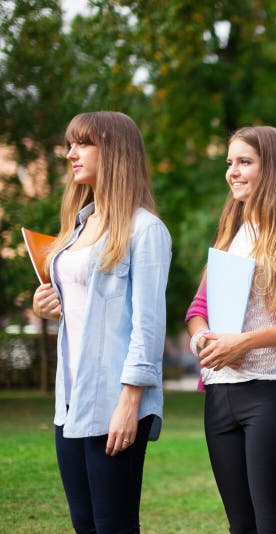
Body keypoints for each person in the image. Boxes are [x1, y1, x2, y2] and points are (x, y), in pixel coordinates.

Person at [31, 111, 171, 533]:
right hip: (71, 402)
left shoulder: (145, 230)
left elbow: (148, 327)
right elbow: (81, 308)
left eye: (82, 144)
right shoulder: (78, 226)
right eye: (71, 144)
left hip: (115, 403)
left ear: (113, 152)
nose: (70, 153)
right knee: (84, 524)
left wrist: (129, 405)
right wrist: (47, 304)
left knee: (115, 526)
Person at [185, 125, 276, 533]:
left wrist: (243, 342)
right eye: (230, 163)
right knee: (239, 523)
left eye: (245, 162)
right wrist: (201, 338)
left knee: (272, 522)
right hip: (219, 394)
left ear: (271, 168)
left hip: (271, 393)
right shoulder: (230, 234)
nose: (233, 172)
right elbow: (198, 308)